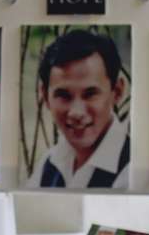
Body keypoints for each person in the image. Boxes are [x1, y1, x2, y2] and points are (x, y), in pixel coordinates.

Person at [29, 30, 131, 189]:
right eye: (64, 95)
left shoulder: (133, 171)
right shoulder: (49, 163)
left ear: (117, 92)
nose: (77, 112)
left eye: (90, 94)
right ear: (45, 96)